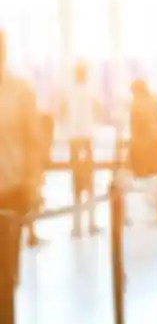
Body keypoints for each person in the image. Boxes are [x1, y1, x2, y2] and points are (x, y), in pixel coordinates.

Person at [0, 30, 44, 270]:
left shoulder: (20, 92)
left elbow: (33, 142)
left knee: (6, 275)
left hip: (9, 193)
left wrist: (33, 185)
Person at [62, 60, 102, 236]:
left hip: (73, 139)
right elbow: (98, 111)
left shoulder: (69, 92)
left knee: (77, 183)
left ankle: (76, 226)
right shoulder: (90, 91)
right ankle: (91, 223)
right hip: (86, 139)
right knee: (89, 183)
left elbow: (62, 113)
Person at [126, 79, 157, 226]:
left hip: (142, 148)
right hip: (156, 147)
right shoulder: (154, 101)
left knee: (140, 182)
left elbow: (134, 129)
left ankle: (144, 212)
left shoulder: (136, 105)